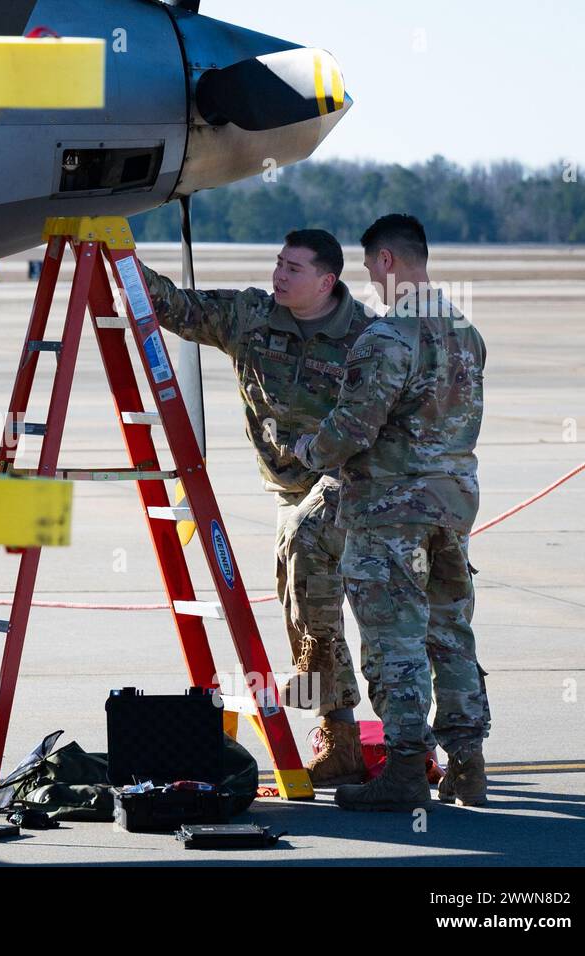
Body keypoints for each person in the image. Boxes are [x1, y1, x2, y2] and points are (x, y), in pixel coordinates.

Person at [140, 230, 375, 786]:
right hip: (289, 488)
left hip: (351, 480)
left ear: (327, 282)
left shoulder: (367, 337)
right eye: (278, 263)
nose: (279, 275)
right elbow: (177, 306)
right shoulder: (251, 317)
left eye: (293, 269)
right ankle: (341, 730)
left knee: (313, 578)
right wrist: (118, 259)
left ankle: (353, 729)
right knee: (302, 599)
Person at [293, 214, 491, 810]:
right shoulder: (466, 332)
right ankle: (468, 764)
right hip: (452, 508)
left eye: (369, 268)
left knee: (392, 642)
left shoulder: (386, 338)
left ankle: (406, 769)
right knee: (451, 633)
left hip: (389, 514)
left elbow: (355, 426)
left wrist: (309, 450)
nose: (371, 282)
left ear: (386, 261)